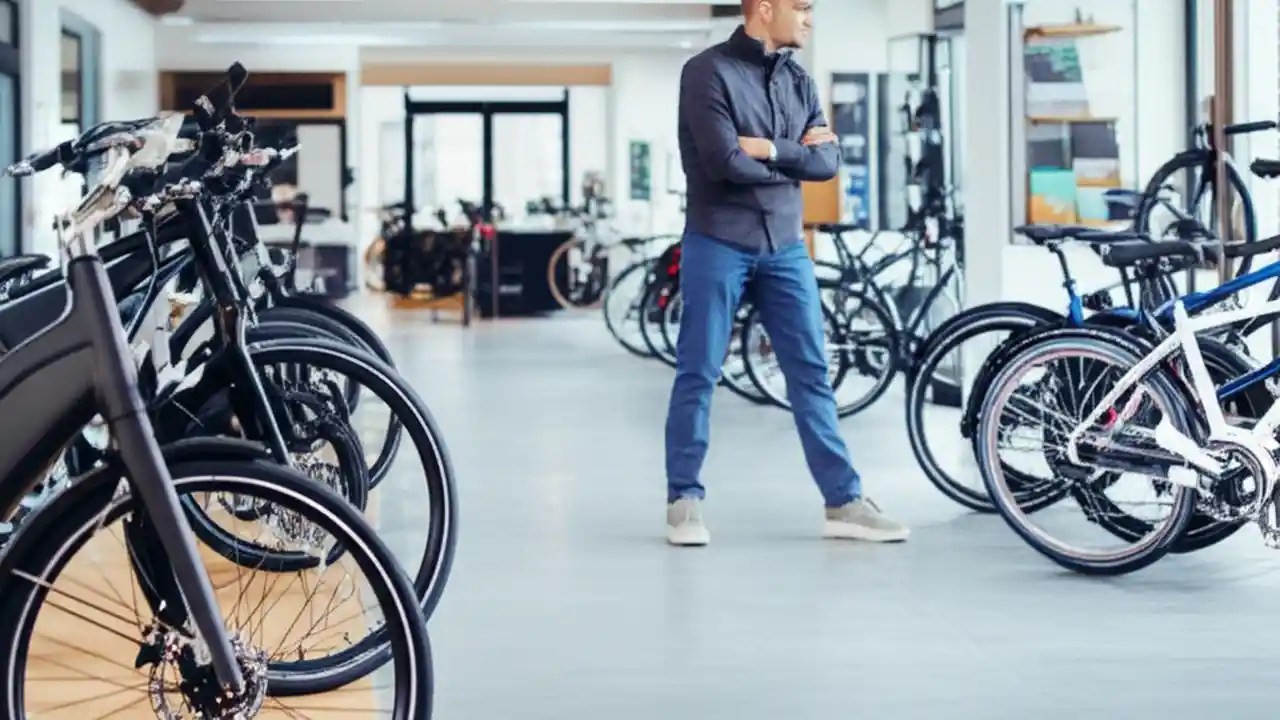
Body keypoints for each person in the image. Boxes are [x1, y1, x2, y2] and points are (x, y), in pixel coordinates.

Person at [664, 0, 909, 547]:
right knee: (699, 372)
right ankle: (684, 499)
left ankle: (843, 501)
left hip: (786, 248)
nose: (809, 18)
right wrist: (793, 157)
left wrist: (771, 149)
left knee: (811, 374)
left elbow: (828, 164)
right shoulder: (706, 72)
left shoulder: (799, 80)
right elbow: (722, 162)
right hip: (717, 240)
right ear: (764, 9)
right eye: (800, 7)